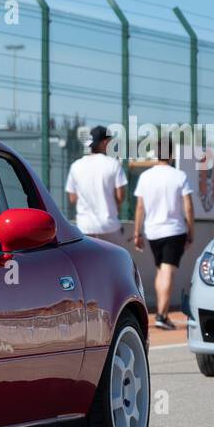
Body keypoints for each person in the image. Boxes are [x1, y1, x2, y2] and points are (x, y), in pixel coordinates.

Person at [133, 139, 194, 330]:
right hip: (174, 230)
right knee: (167, 271)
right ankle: (161, 314)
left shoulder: (145, 176)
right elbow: (188, 206)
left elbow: (140, 207)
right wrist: (191, 230)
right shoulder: (179, 175)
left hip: (153, 231)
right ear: (172, 154)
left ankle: (162, 313)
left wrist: (137, 233)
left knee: (161, 269)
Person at [65, 124, 127, 242]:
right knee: (114, 260)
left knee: (88, 260)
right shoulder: (113, 164)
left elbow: (72, 198)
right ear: (105, 142)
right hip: (109, 226)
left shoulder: (76, 166)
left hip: (84, 226)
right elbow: (120, 196)